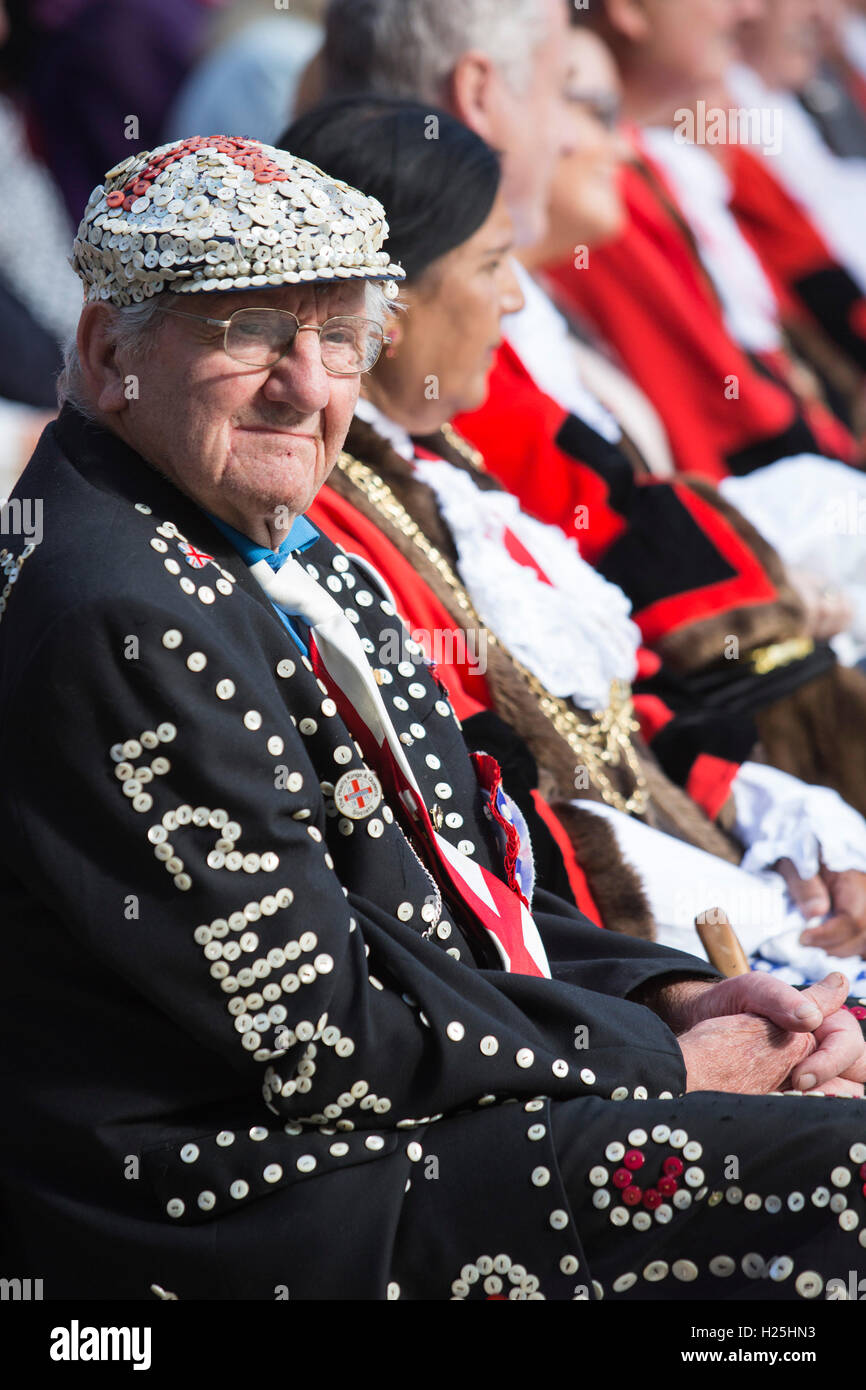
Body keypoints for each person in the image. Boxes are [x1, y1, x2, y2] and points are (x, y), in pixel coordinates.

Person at [4, 132, 866, 1303]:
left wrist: (676, 994)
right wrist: (667, 1062)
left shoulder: (269, 546)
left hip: (401, 1116)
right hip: (259, 1195)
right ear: (111, 353)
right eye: (248, 330)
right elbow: (315, 1044)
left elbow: (469, 880)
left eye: (339, 339)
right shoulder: (123, 607)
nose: (306, 386)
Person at [284, 94, 866, 975]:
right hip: (594, 945)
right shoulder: (329, 521)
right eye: (492, 267)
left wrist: (762, 802)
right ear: (388, 312)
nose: (516, 299)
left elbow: (606, 720)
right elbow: (482, 803)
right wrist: (761, 925)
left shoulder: (444, 463)